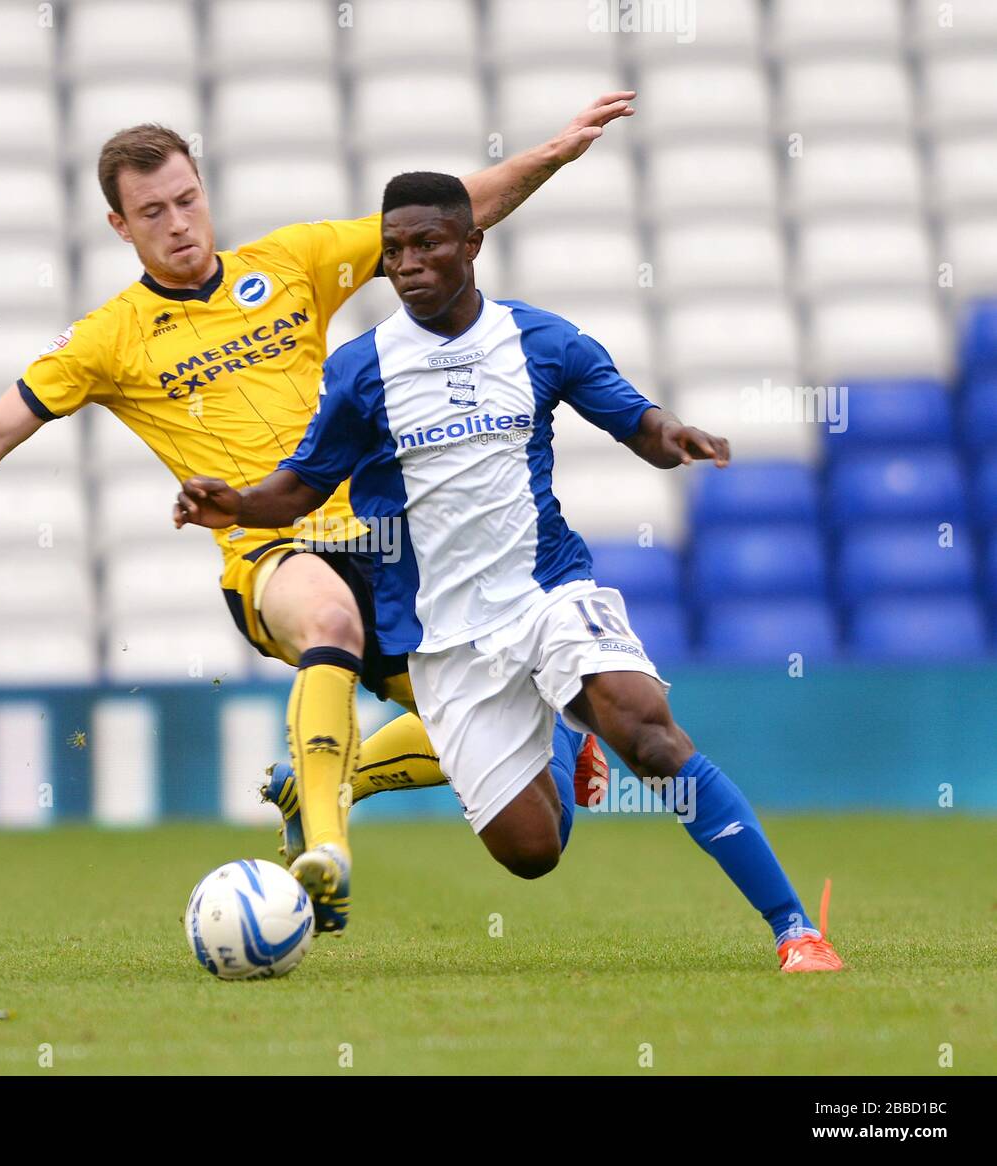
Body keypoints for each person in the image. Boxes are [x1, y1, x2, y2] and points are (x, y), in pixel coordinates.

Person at [0, 98, 638, 934]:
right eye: (152, 211)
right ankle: (326, 855)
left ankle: (324, 782)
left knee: (533, 826)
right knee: (327, 619)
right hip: (271, 550)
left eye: (186, 199)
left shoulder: (292, 262)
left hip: (394, 549)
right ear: (120, 226)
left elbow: (454, 211)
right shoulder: (109, 338)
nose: (177, 222)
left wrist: (552, 153)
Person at [173, 172, 845, 972]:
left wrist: (676, 437)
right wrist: (237, 505)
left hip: (548, 592)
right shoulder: (363, 369)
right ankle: (563, 731)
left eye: (426, 244)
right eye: (393, 251)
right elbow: (303, 484)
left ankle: (794, 927)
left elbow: (635, 419)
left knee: (648, 733)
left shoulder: (540, 340)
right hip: (446, 641)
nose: (408, 264)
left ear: (472, 243)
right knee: (533, 850)